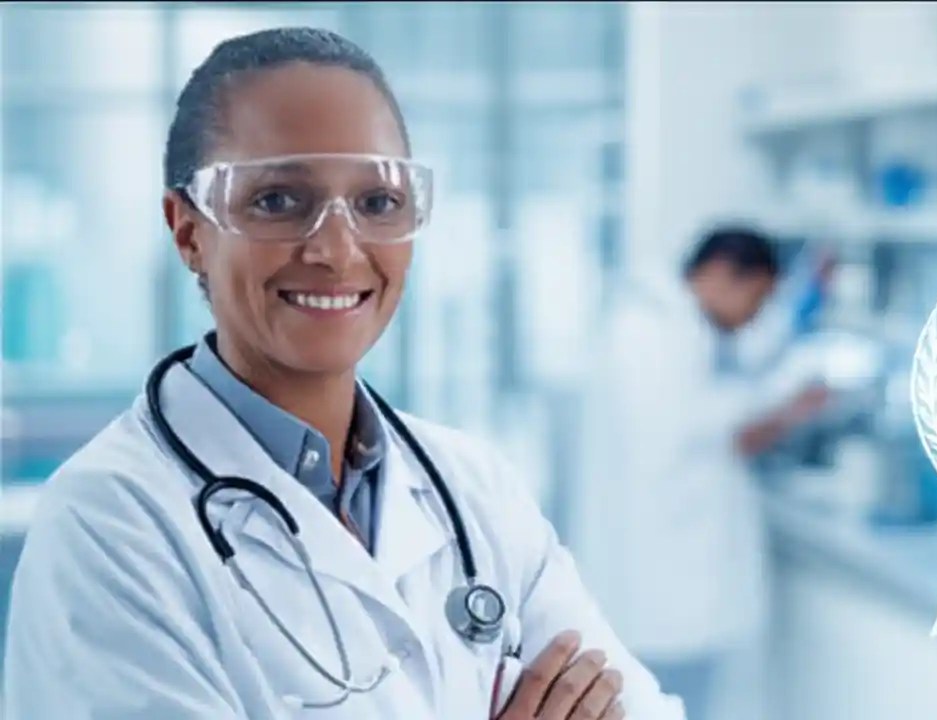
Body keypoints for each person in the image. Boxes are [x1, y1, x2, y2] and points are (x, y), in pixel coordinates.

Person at [3, 27, 684, 720]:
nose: (336, 249)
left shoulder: (474, 490)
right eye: (277, 200)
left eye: (377, 202)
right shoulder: (110, 524)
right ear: (188, 230)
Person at [569, 227, 829, 720]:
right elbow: (703, 424)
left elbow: (737, 380)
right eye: (758, 299)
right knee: (663, 700)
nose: (754, 316)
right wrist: (784, 407)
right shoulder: (648, 331)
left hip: (673, 579)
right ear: (724, 274)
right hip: (662, 574)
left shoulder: (682, 326)